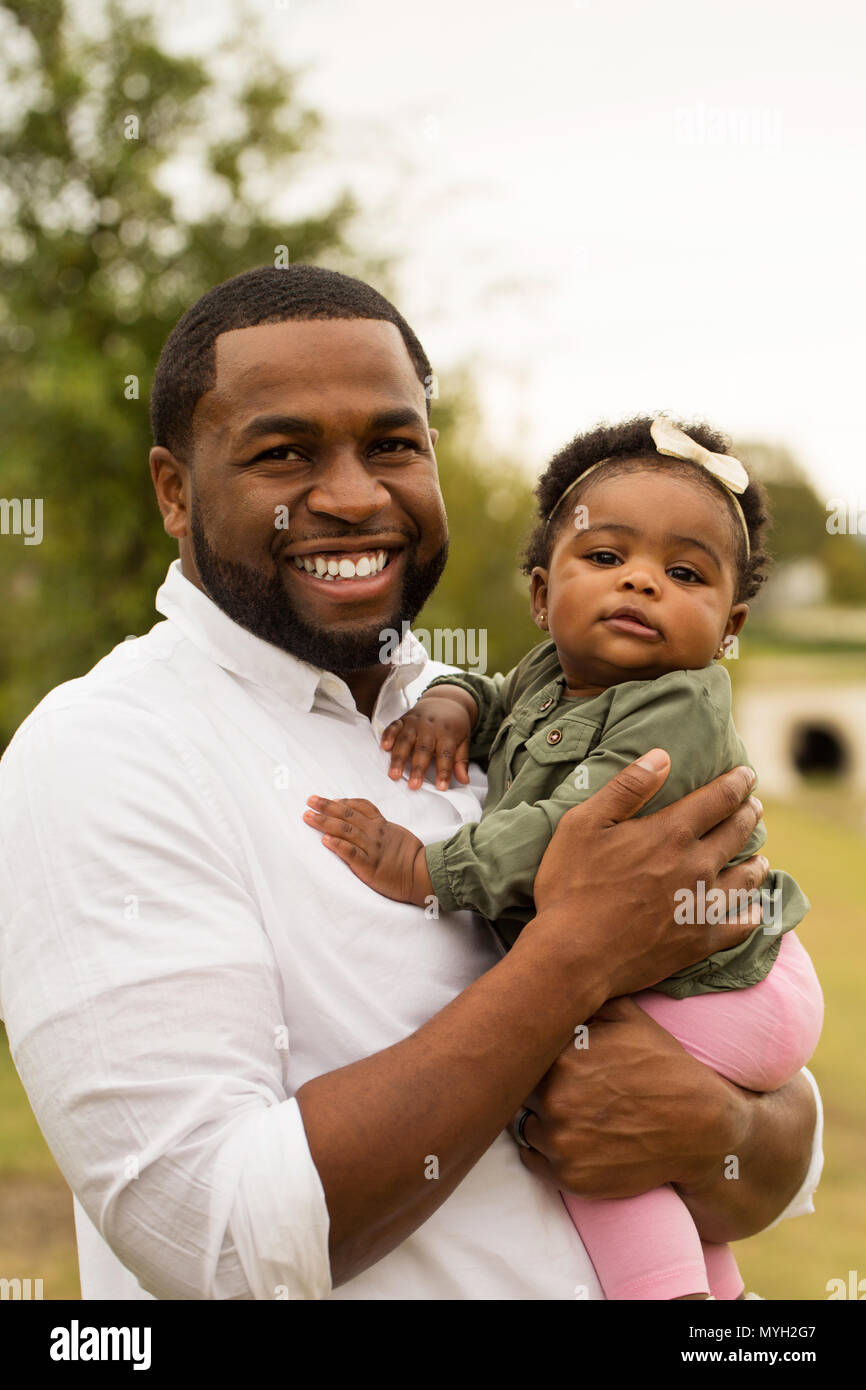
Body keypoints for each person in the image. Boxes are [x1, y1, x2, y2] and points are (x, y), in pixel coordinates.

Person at [0, 266, 822, 1300]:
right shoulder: (103, 752)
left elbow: (778, 1141)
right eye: (283, 451)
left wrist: (727, 1129)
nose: (351, 496)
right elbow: (212, 1245)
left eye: (392, 444)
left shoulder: (509, 707)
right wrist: (568, 960)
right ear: (174, 490)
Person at [304, 412, 824, 1299]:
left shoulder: (677, 711)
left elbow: (568, 830)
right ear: (544, 597)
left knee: (573, 1104)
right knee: (625, 1134)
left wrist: (428, 869)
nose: (643, 584)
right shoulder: (555, 675)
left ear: (730, 625)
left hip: (727, 984)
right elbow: (501, 691)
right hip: (703, 981)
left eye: (684, 573)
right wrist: (458, 706)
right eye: (607, 557)